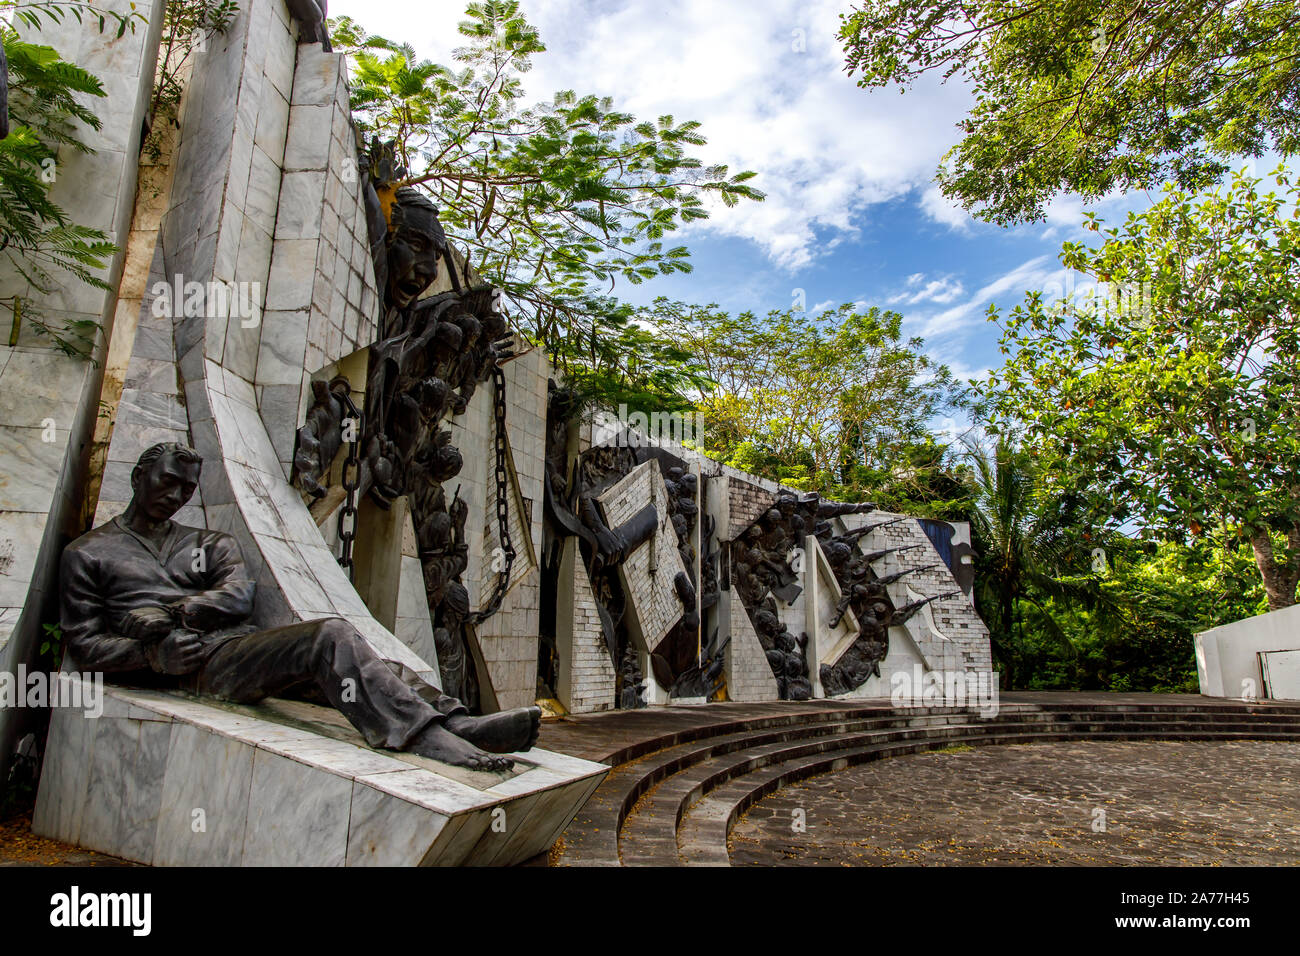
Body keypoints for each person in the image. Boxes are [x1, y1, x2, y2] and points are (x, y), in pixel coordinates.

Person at [60, 442, 540, 772]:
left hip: (235, 647)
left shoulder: (206, 540)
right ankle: (419, 736)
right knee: (329, 636)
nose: (176, 496)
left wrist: (174, 613)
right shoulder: (90, 553)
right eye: (167, 483)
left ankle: (456, 722)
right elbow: (83, 645)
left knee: (376, 666)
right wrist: (148, 657)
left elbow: (238, 595)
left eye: (186, 489)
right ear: (138, 476)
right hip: (198, 666)